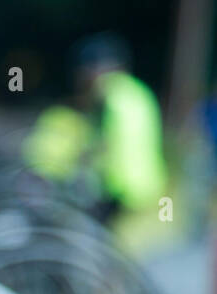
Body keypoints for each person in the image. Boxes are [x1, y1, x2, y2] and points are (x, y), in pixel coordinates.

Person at [25, 33, 167, 218]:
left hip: (121, 187)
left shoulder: (107, 95)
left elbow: (104, 142)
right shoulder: (138, 91)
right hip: (147, 184)